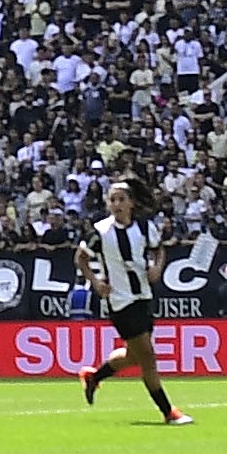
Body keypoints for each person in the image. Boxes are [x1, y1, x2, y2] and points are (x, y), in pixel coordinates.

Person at [76, 175, 189, 424]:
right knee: (147, 357)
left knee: (133, 355)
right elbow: (81, 258)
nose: (116, 204)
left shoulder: (145, 227)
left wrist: (157, 268)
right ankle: (169, 412)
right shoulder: (100, 231)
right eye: (112, 200)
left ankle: (94, 377)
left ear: (131, 203)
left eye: (121, 199)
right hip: (119, 302)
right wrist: (96, 282)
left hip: (143, 297)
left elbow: (159, 250)